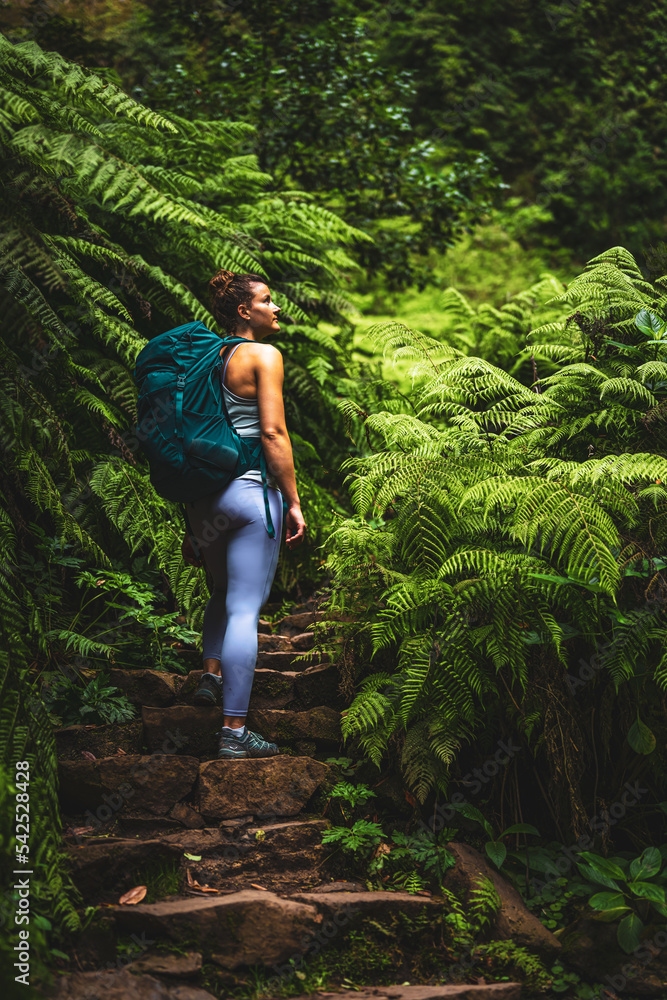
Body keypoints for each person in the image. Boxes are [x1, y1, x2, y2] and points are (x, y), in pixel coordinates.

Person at [181, 270, 306, 759]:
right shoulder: (263, 356)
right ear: (243, 311)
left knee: (221, 590)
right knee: (243, 609)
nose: (276, 309)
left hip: (203, 500)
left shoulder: (203, 358)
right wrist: (293, 500)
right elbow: (272, 434)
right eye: (268, 301)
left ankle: (210, 674)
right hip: (250, 493)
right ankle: (233, 732)